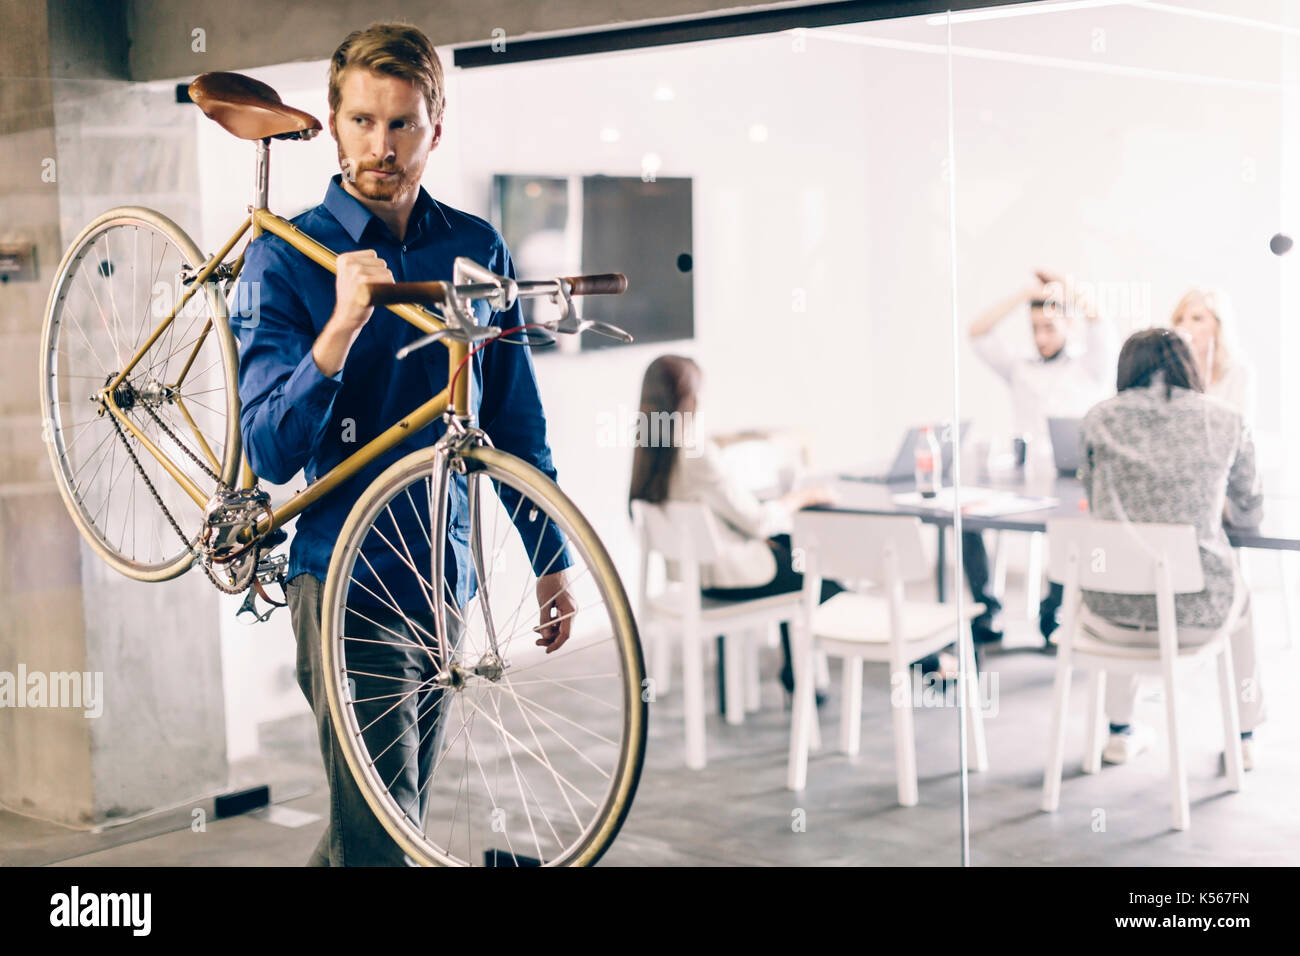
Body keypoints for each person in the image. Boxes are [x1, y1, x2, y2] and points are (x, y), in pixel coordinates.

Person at [232, 23, 573, 865]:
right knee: (387, 837)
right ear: (335, 120)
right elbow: (271, 451)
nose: (379, 147)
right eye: (361, 122)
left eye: (402, 124)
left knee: (385, 825)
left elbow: (512, 419)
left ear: (435, 128)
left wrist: (550, 553)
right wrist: (339, 330)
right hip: (345, 583)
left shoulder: (474, 247)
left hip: (443, 578)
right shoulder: (286, 256)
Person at [1076, 328, 1264, 768]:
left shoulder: (1098, 419)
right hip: (1196, 614)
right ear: (1188, 368)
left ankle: (1119, 731)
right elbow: (1250, 511)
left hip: (1110, 614)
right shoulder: (1226, 419)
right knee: (1243, 596)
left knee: (1129, 569)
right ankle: (1245, 735)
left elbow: (1091, 492)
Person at [627, 355, 845, 705]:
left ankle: (796, 671)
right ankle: (847, 657)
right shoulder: (697, 454)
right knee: (820, 573)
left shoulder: (647, 452)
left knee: (789, 553)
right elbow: (756, 520)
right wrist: (802, 497)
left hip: (697, 577)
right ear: (690, 399)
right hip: (732, 581)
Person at [966, 269, 1116, 645]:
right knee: (965, 516)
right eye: (1035, 328)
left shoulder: (1089, 366)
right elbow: (977, 332)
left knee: (1074, 529)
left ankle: (1054, 608)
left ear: (1069, 324)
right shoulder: (1020, 367)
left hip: (1070, 483)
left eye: (1050, 327)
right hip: (1021, 480)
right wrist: (1023, 296)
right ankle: (987, 609)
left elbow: (1099, 320)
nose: (1041, 337)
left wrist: (1070, 289)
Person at [1170, 287, 1257, 424]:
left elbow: (1238, 429)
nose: (1185, 327)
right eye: (1180, 319)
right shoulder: (1171, 373)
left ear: (1218, 325)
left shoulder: (1237, 373)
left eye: (1197, 318)